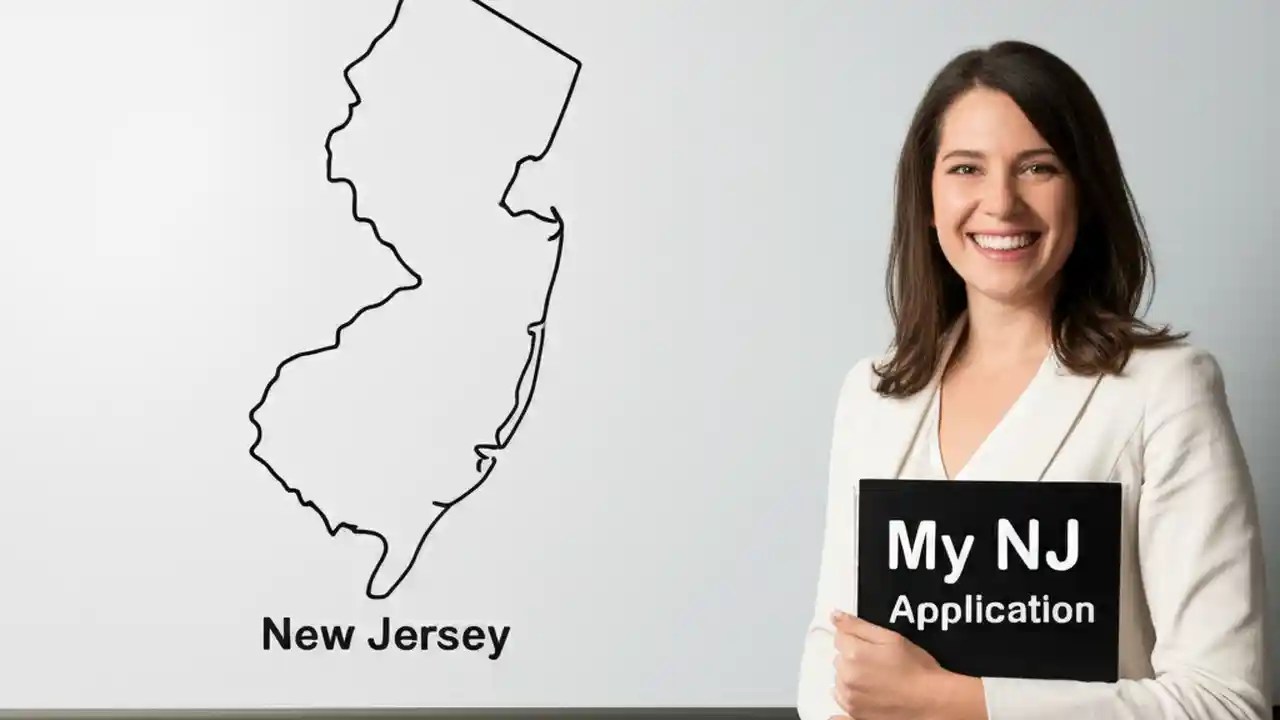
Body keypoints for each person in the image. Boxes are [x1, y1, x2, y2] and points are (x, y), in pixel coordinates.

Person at [796, 40, 1271, 720]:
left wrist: (954, 701)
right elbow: (831, 663)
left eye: (1037, 168)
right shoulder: (872, 395)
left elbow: (1225, 703)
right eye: (966, 168)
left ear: (1085, 191)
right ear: (927, 198)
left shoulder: (1166, 391)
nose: (1001, 202)